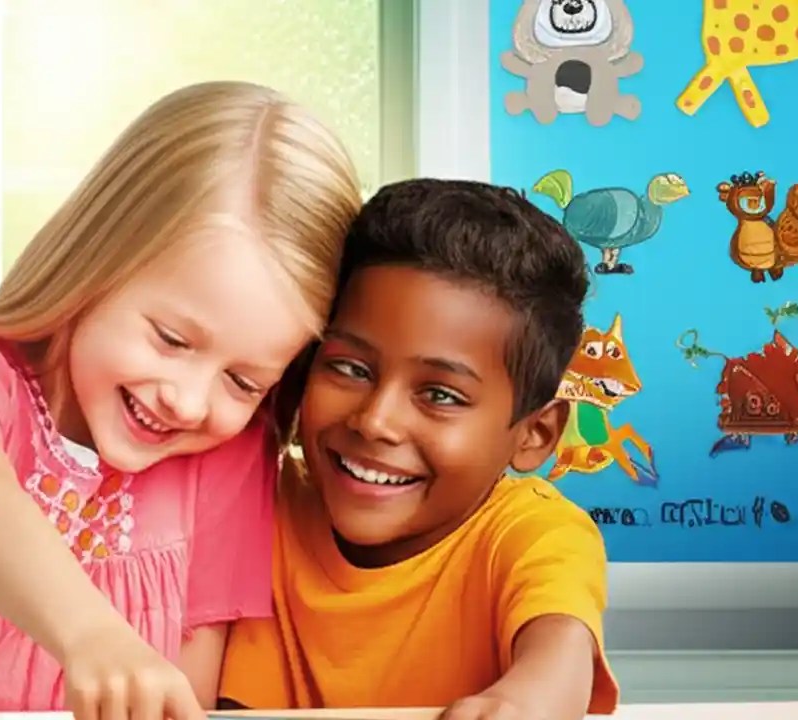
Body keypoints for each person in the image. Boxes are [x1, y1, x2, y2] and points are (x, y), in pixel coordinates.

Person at [0, 81, 362, 717]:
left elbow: (192, 683)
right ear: (97, 260)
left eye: (243, 382)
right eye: (171, 339)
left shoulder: (228, 453)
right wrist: (91, 635)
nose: (191, 402)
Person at [217, 178, 620, 720]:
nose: (376, 421)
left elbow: (558, 654)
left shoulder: (532, 534)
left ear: (536, 435)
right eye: (350, 368)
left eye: (440, 395)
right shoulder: (252, 496)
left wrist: (522, 701)